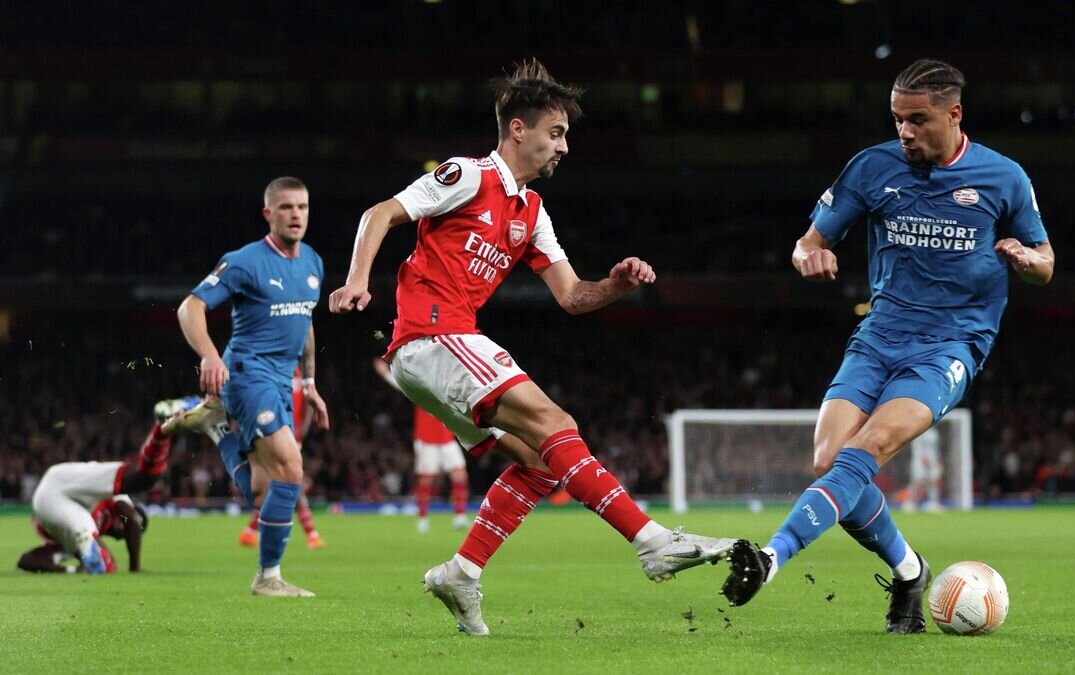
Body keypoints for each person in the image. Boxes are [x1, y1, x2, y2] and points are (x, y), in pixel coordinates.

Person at [329, 59, 735, 636]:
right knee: (556, 423)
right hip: (433, 335)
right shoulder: (468, 176)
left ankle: (461, 573)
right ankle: (653, 542)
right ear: (518, 130)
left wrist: (615, 285)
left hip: (443, 350)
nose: (564, 146)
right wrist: (357, 281)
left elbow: (572, 297)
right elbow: (380, 214)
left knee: (542, 463)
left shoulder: (533, 211)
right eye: (556, 132)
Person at [720, 58, 1054, 634]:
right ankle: (910, 571)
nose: (905, 132)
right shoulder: (872, 167)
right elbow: (807, 243)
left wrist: (1027, 260)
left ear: (954, 114)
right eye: (898, 119)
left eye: (918, 120)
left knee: (868, 447)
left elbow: (1046, 262)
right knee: (829, 463)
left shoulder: (1003, 178)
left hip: (950, 346)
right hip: (878, 337)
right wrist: (810, 256)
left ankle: (772, 557)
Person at [174, 176, 330, 597]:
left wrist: (310, 382)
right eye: (286, 207)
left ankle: (218, 431)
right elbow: (190, 307)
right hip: (247, 373)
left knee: (264, 494)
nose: (296, 214)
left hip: (283, 380)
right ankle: (268, 577)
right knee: (292, 467)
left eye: (302, 207)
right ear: (268, 214)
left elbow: (305, 321)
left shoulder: (313, 262)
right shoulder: (244, 262)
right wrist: (210, 356)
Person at [17, 423, 171, 574]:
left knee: (106, 566)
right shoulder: (116, 502)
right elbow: (132, 518)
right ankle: (161, 429)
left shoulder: (83, 531)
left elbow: (26, 561)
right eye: (130, 529)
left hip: (51, 510)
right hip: (61, 481)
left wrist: (69, 570)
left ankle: (87, 544)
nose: (124, 529)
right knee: (143, 478)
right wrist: (135, 566)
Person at [373, 358, 470, 532]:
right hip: (426, 439)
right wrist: (385, 374)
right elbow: (401, 385)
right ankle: (423, 518)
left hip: (446, 437)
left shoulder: (446, 384)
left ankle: (459, 516)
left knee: (460, 474)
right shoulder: (421, 385)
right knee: (427, 478)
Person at [237, 367, 326, 549]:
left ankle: (251, 530)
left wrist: (303, 429)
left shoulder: (300, 373)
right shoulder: (272, 368)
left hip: (292, 434)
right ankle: (311, 534)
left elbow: (308, 403)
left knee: (284, 481)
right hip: (274, 431)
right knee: (288, 482)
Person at [901, 425, 944, 513]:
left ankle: (933, 503)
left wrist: (938, 459)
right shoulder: (920, 431)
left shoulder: (934, 432)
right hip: (919, 460)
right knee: (917, 481)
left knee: (933, 481)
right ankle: (909, 502)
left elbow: (936, 448)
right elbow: (917, 447)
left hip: (933, 459)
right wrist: (923, 458)